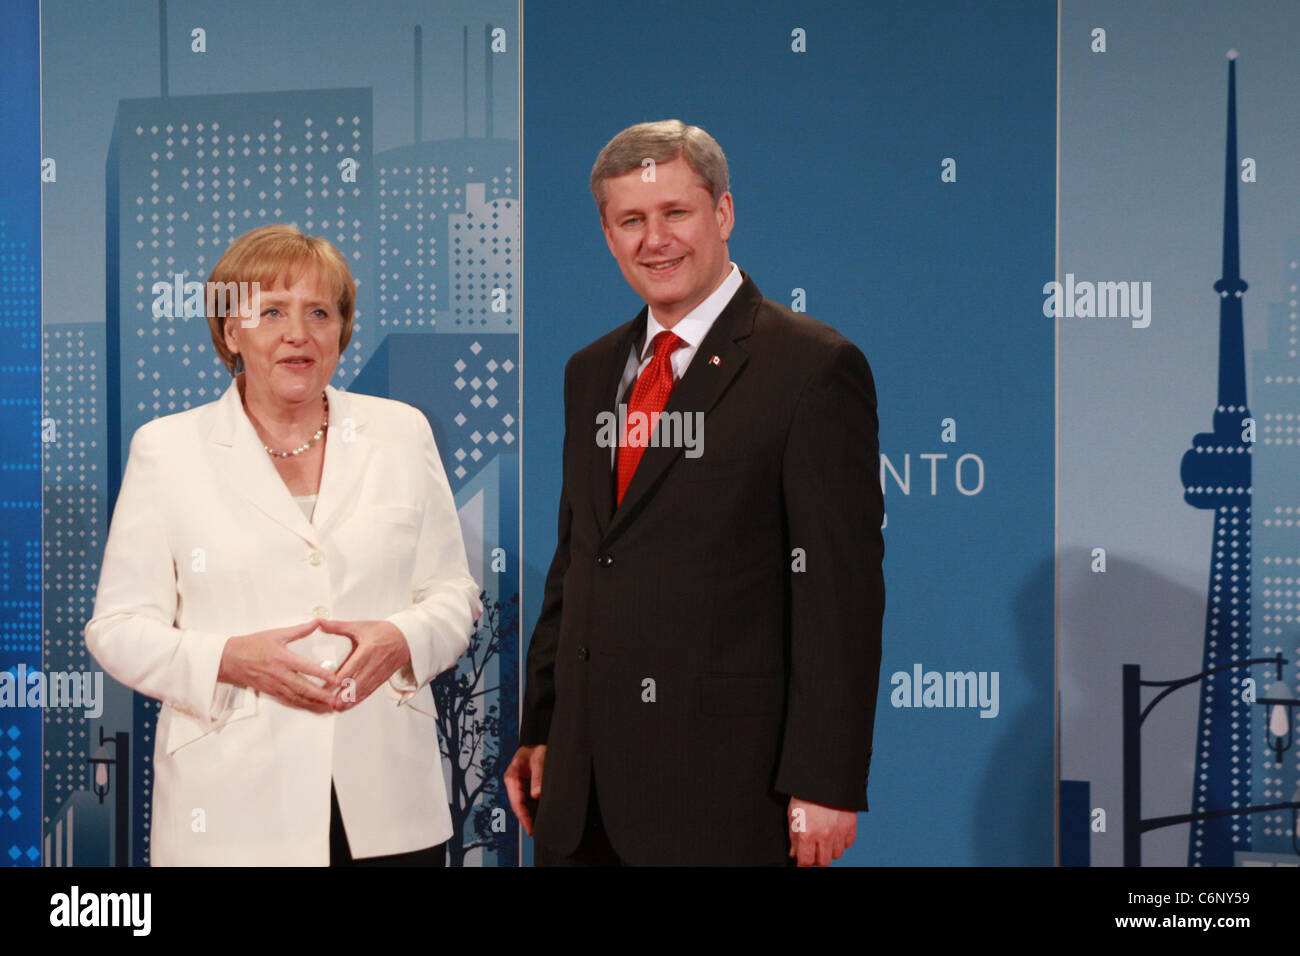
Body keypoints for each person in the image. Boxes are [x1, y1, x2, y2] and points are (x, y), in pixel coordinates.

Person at [505, 120, 885, 866]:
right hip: (580, 795)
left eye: (675, 213)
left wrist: (826, 781)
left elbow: (839, 594)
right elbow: (581, 560)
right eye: (631, 221)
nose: (656, 240)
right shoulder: (591, 370)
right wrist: (543, 726)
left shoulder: (811, 367)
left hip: (728, 792)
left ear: (724, 213)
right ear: (608, 235)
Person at [85, 224, 481, 866]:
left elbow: (452, 593)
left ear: (342, 331)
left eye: (319, 312)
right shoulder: (168, 450)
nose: (298, 333)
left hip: (388, 804)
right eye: (271, 312)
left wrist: (402, 640)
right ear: (229, 332)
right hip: (232, 809)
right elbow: (119, 627)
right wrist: (229, 658)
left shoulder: (401, 432)